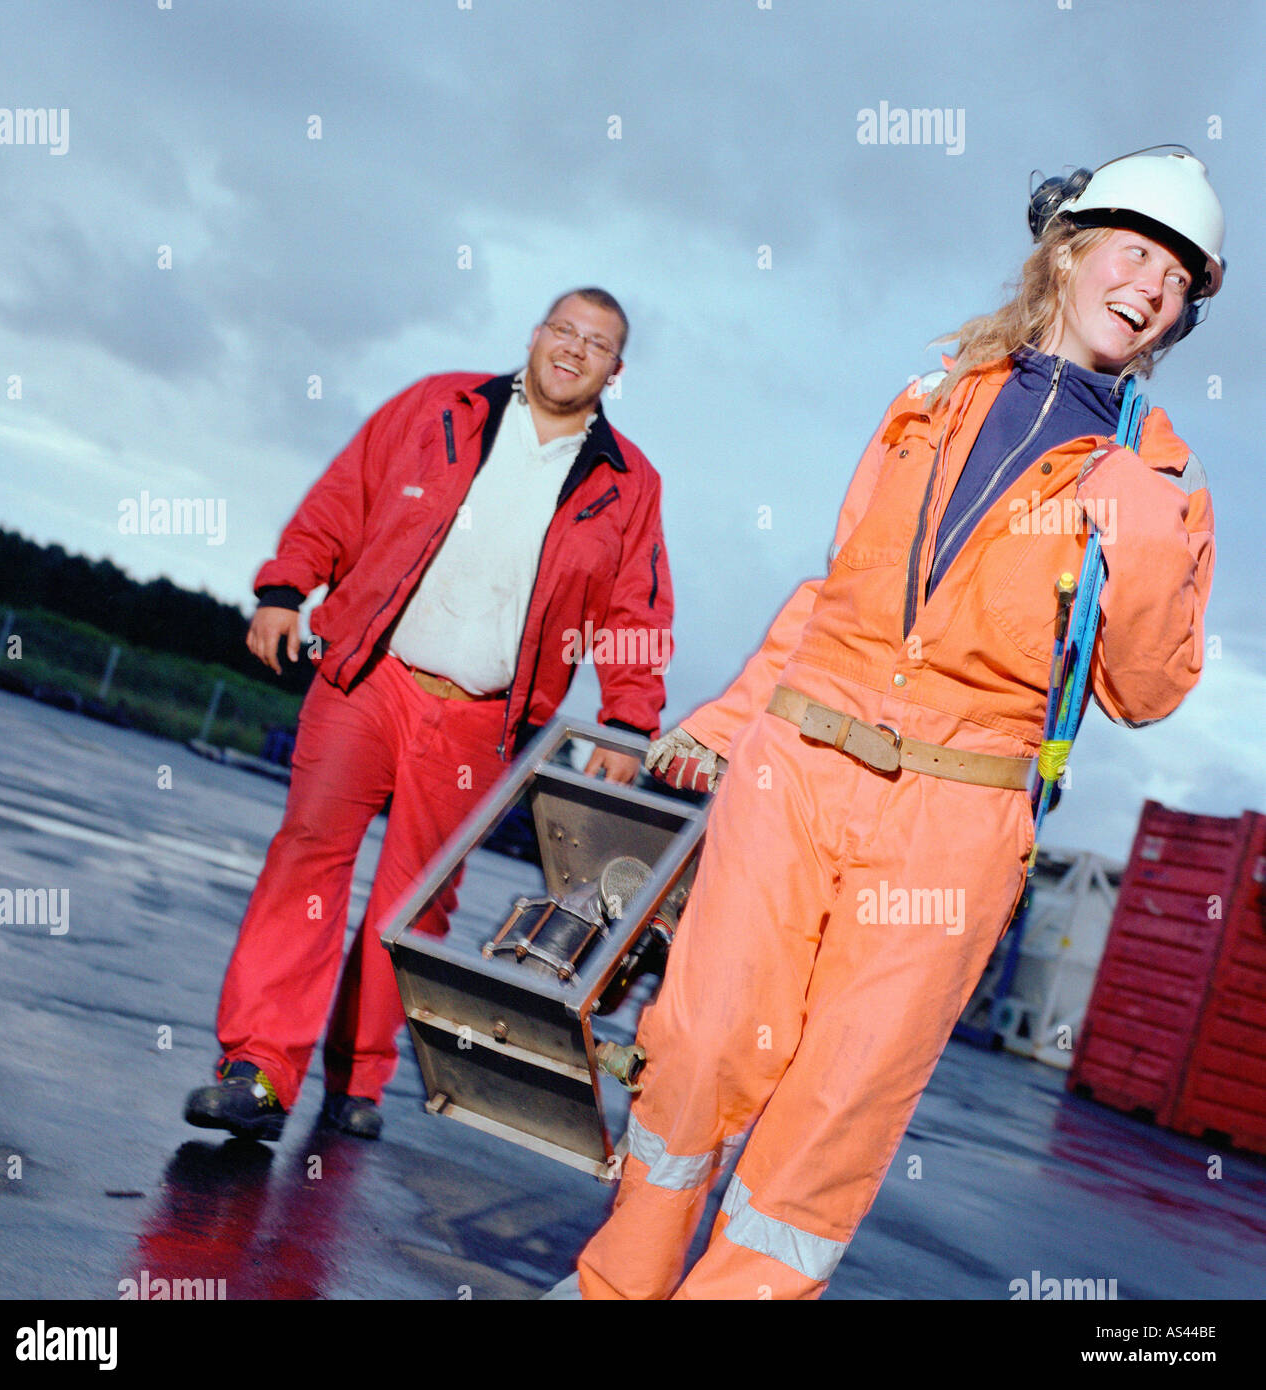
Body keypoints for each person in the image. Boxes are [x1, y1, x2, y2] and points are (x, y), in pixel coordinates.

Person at [564, 149, 1222, 1299]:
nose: (1153, 285)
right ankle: (616, 1285)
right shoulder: (933, 397)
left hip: (959, 809)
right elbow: (840, 586)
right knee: (703, 1043)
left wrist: (1146, 534)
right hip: (803, 757)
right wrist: (726, 718)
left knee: (838, 1103)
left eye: (1177, 275)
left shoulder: (1159, 474)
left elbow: (1145, 688)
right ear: (1070, 251)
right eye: (1135, 250)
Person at [184, 288, 674, 1142]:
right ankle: (259, 1067)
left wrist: (630, 722)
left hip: (484, 721)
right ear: (535, 335)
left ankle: (359, 1077)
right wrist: (283, 587)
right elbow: (345, 498)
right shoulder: (437, 405)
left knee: (416, 904)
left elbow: (638, 610)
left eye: (595, 344)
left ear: (616, 370)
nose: (573, 350)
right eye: (563, 330)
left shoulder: (628, 483)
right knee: (308, 862)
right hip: (370, 679)